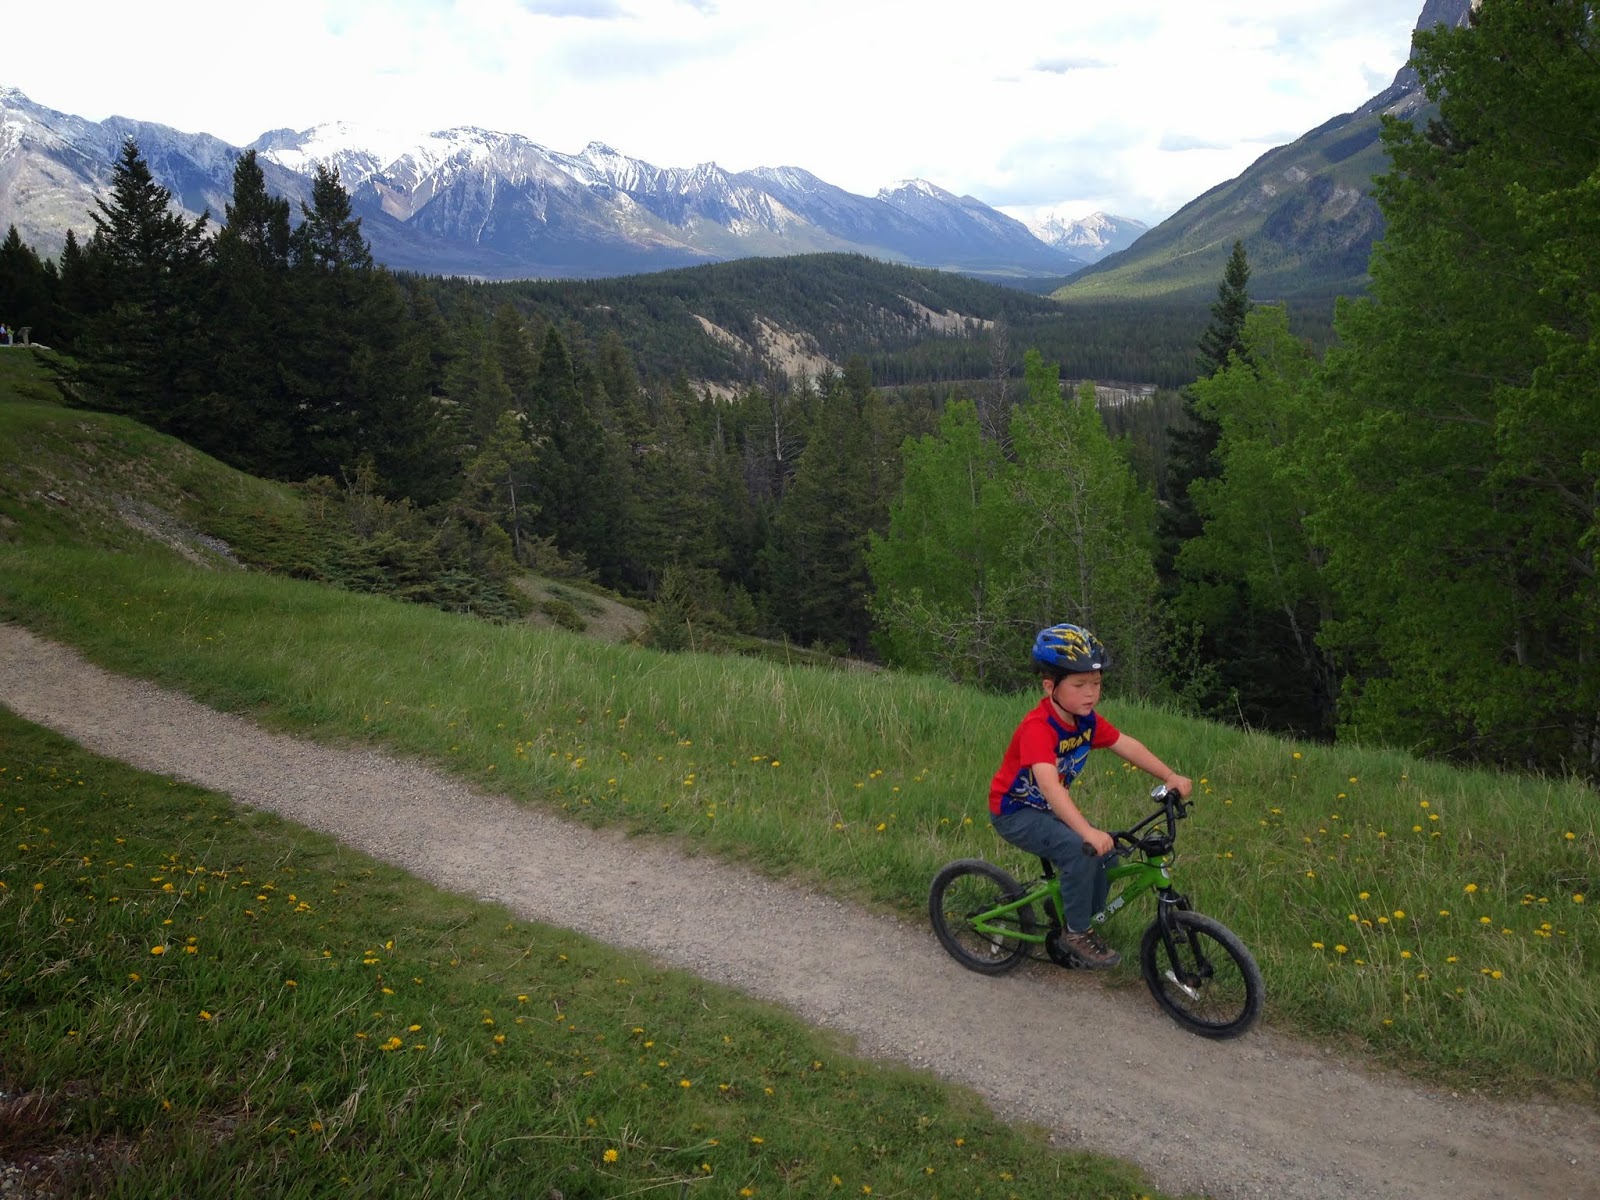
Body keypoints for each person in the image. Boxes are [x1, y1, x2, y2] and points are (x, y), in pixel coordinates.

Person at [989, 622, 1192, 968]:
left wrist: (1169, 775)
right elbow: (1050, 787)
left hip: (1048, 809)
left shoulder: (1086, 720)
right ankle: (1077, 933)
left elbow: (1125, 744)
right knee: (1080, 852)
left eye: (1096, 684)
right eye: (1080, 684)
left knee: (1108, 857)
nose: (1090, 693)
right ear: (1049, 686)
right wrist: (1086, 832)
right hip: (1015, 812)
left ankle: (1083, 918)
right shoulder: (1037, 728)